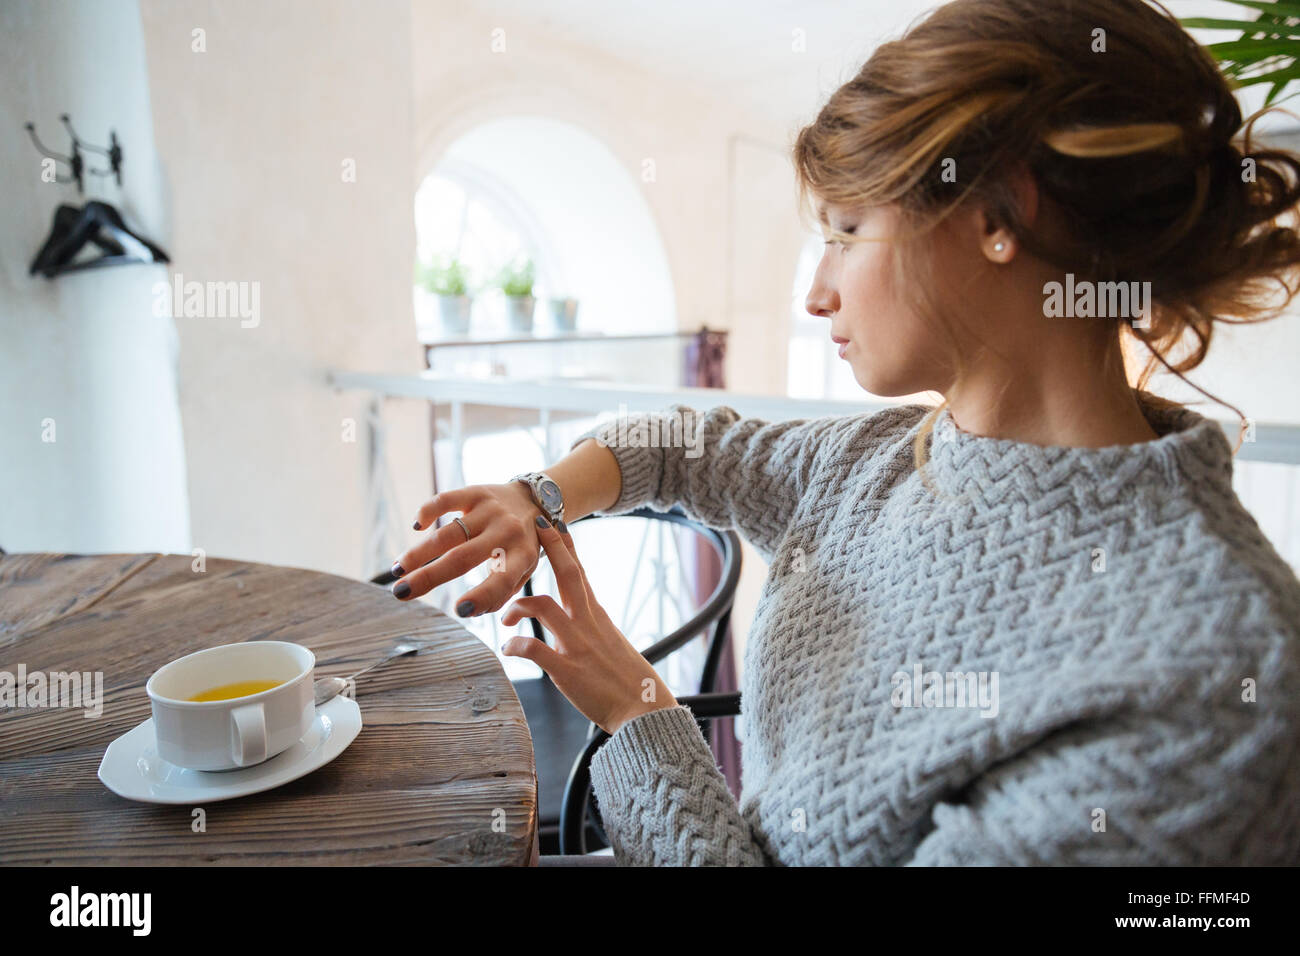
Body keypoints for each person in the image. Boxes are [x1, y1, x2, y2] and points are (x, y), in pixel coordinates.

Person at [389, 0, 1300, 865]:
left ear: (996, 219)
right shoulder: (872, 461)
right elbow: (673, 444)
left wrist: (636, 714)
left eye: (848, 229)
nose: (817, 292)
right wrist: (534, 497)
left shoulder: (1208, 672)